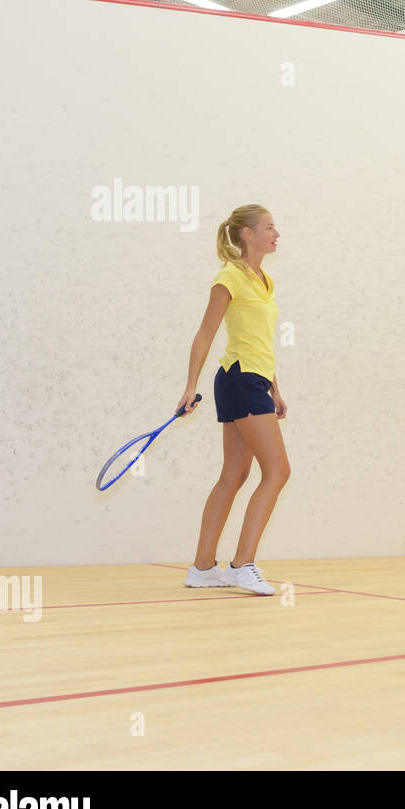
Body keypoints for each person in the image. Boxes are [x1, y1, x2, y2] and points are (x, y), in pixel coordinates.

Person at [177, 204, 289, 595]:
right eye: (270, 227)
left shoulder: (264, 280)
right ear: (247, 234)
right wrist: (190, 386)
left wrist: (274, 387)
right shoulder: (229, 277)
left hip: (253, 380)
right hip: (239, 380)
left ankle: (203, 568)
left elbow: (258, 338)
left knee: (235, 475)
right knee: (278, 471)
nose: (277, 233)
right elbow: (206, 333)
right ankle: (242, 565)